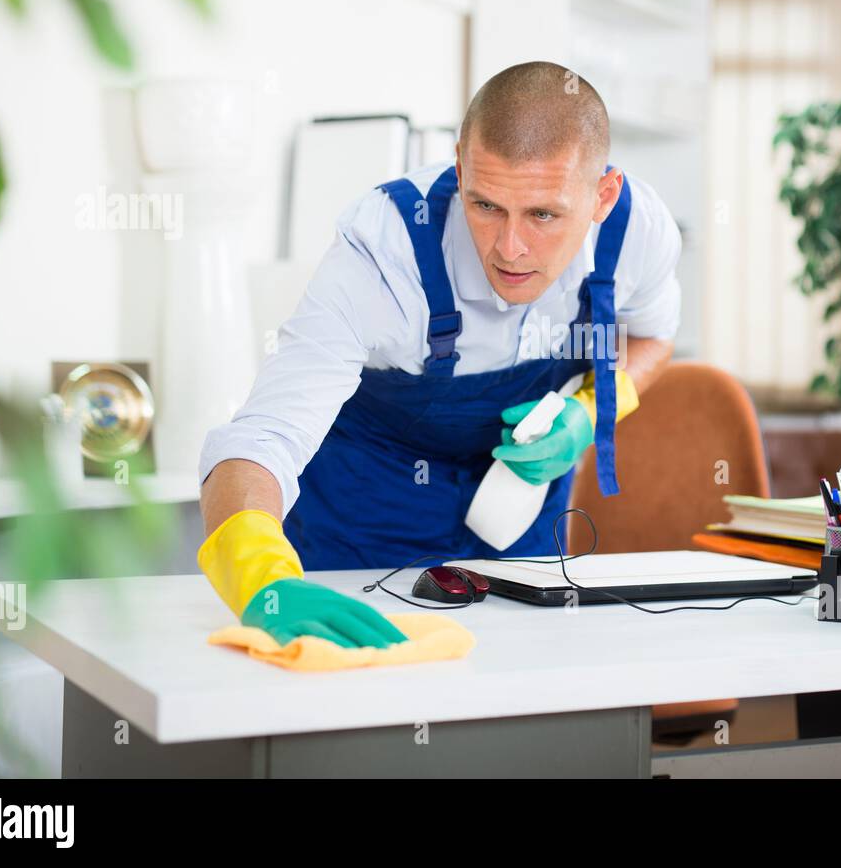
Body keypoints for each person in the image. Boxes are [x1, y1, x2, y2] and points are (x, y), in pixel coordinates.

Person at [196, 61, 682, 647]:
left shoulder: (638, 234)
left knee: (519, 701)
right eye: (485, 206)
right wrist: (261, 581)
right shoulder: (384, 250)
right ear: (460, 167)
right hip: (359, 526)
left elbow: (655, 340)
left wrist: (590, 411)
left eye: (544, 215)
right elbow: (259, 439)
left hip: (517, 535)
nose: (510, 247)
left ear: (603, 195)